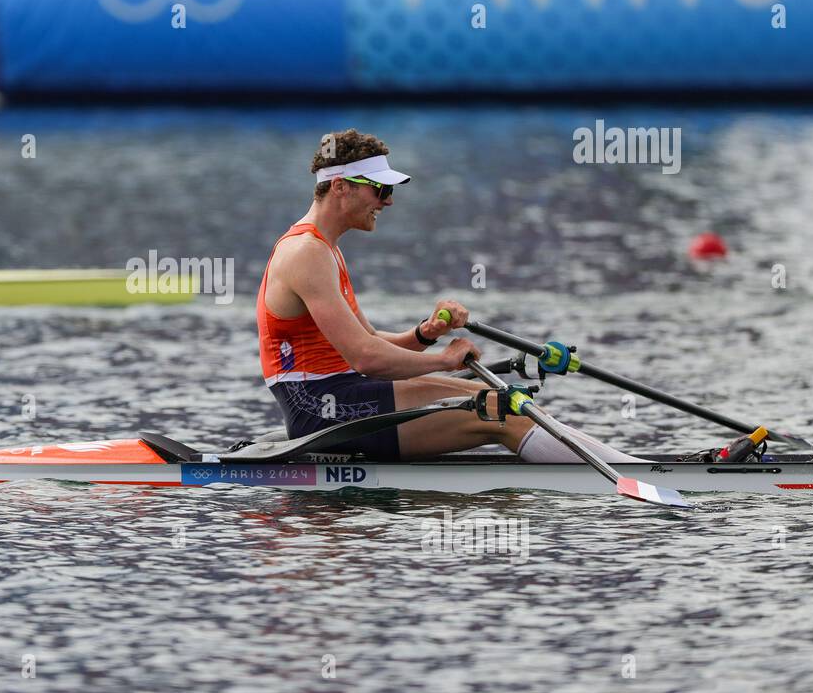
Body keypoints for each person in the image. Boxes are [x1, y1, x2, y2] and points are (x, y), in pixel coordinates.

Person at [256, 128, 638, 463]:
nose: (387, 201)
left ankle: (625, 466)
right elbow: (366, 357)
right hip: (323, 410)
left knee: (497, 398)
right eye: (381, 189)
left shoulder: (325, 249)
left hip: (342, 397)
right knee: (501, 409)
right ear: (340, 186)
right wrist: (444, 361)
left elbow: (370, 341)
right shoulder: (306, 253)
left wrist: (425, 334)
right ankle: (635, 474)